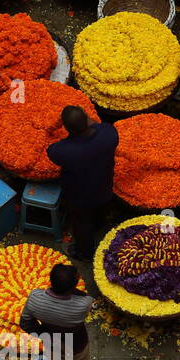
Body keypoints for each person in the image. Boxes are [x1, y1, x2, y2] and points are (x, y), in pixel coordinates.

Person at [46, 107, 116, 261]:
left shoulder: (64, 150)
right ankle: (99, 224)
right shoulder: (109, 134)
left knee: (81, 224)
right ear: (87, 118)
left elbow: (51, 151)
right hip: (104, 185)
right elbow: (100, 127)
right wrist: (89, 122)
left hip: (80, 196)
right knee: (100, 208)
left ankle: (84, 253)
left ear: (66, 128)